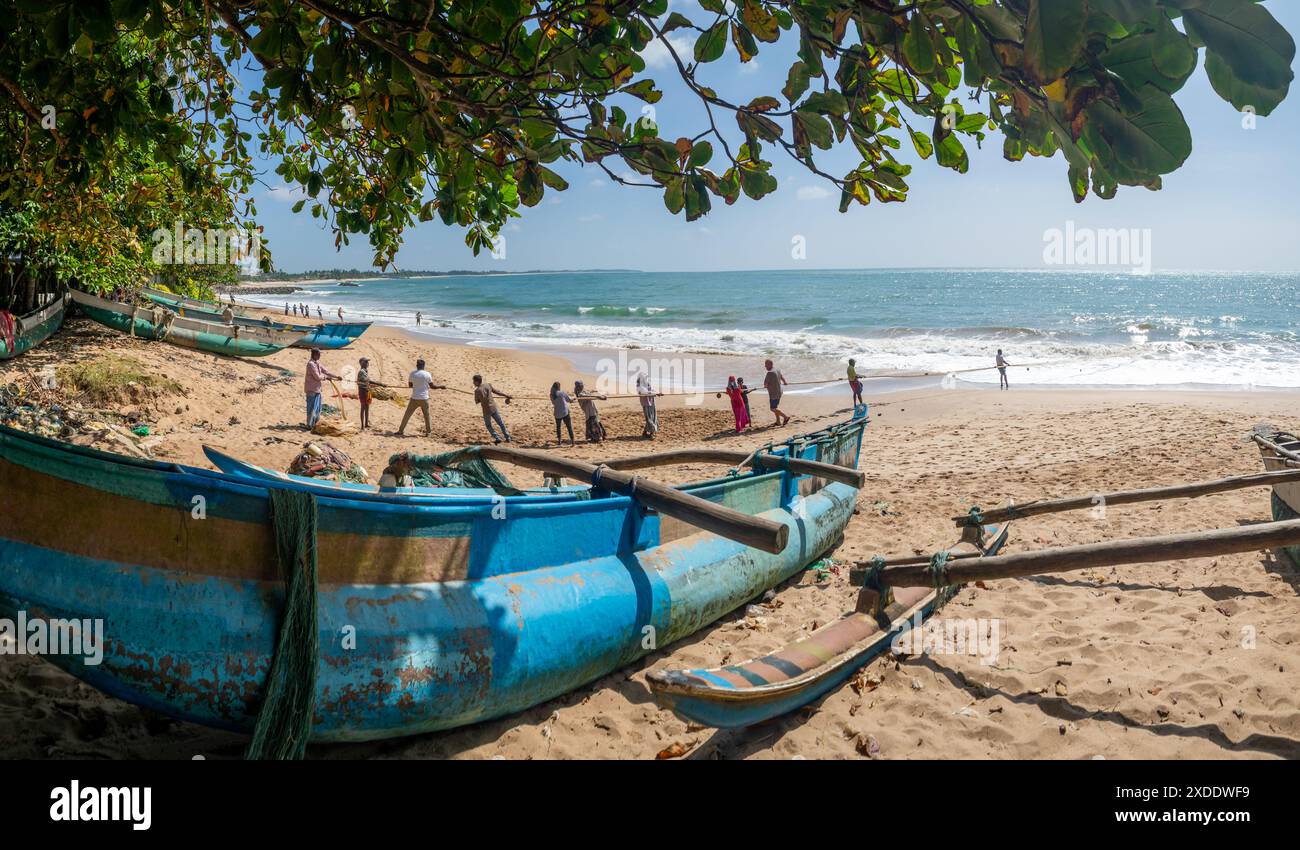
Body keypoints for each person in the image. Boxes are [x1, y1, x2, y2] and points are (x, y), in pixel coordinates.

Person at [397, 358, 443, 437]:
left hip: (414, 398)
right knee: (427, 416)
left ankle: (401, 430)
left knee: (407, 415)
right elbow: (433, 387)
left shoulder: (412, 373)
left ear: (417, 366)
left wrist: (417, 385)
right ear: (424, 366)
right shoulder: (427, 374)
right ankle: (428, 433)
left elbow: (410, 386)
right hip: (424, 398)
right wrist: (441, 387)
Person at [473, 374, 513, 443]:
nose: (473, 383)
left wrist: (478, 397)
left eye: (474, 381)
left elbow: (477, 401)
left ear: (477, 382)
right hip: (493, 408)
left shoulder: (477, 391)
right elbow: (497, 392)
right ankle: (508, 437)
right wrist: (506, 395)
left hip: (486, 411)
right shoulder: (488, 385)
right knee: (501, 423)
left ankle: (497, 438)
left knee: (488, 425)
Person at [304, 348, 338, 429]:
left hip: (317, 389)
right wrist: (326, 377)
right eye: (318, 354)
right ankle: (309, 424)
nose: (319, 356)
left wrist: (336, 376)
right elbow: (317, 377)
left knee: (317, 408)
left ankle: (315, 423)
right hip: (311, 389)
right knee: (311, 407)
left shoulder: (317, 363)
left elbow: (326, 371)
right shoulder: (311, 364)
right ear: (314, 355)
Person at [763, 359, 790, 426]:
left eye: (766, 365)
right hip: (779, 391)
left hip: (774, 394)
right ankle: (778, 421)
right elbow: (781, 377)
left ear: (770, 365)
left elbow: (765, 385)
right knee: (775, 407)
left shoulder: (769, 373)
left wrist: (766, 386)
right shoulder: (777, 369)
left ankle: (785, 417)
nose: (765, 366)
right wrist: (784, 382)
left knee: (773, 409)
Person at [636, 372, 660, 438]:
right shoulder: (639, 385)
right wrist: (653, 393)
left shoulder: (647, 384)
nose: (646, 379)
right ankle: (652, 432)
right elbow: (645, 392)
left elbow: (652, 389)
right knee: (649, 417)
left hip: (652, 401)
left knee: (653, 416)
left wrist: (657, 393)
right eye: (645, 378)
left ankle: (645, 432)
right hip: (645, 402)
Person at [357, 356, 375, 430]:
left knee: (367, 407)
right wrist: (380, 384)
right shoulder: (361, 372)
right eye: (366, 362)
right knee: (363, 407)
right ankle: (362, 426)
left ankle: (366, 424)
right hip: (362, 391)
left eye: (367, 362)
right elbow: (368, 381)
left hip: (367, 390)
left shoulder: (365, 370)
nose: (368, 363)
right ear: (362, 363)